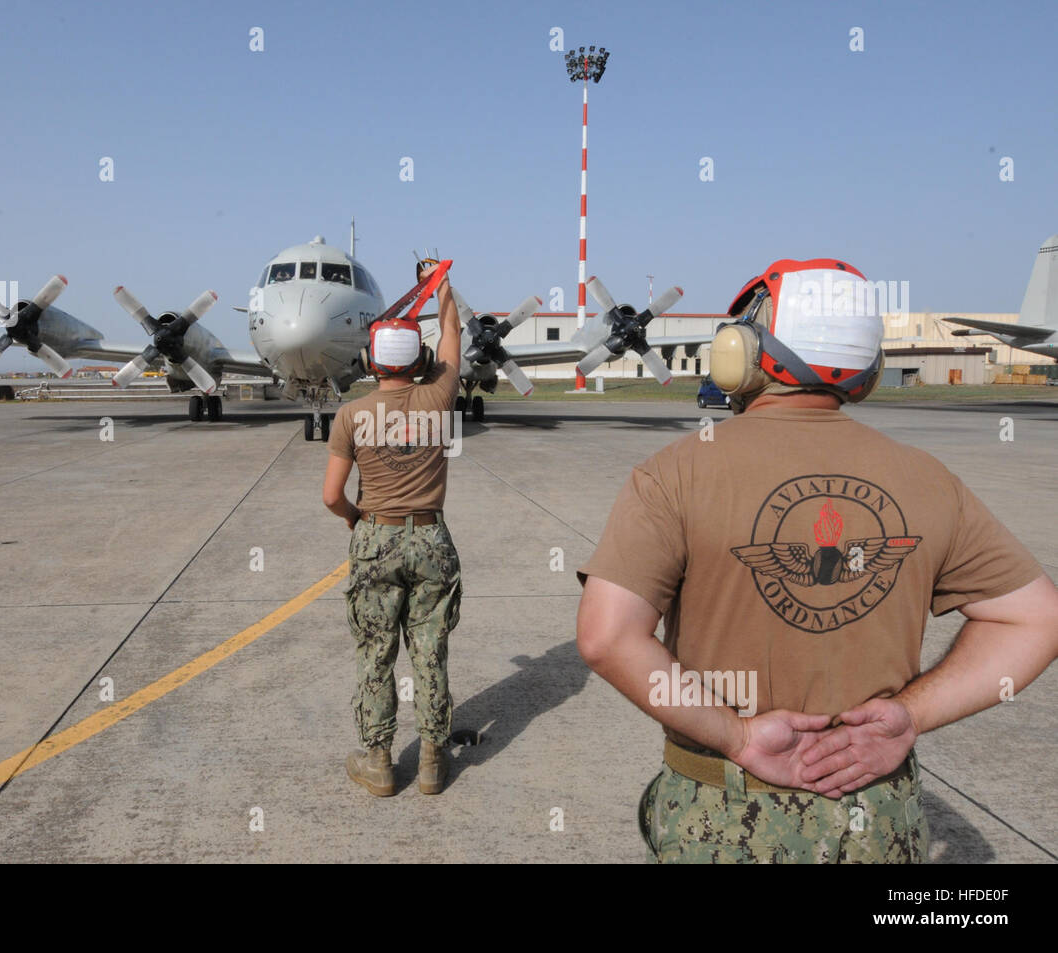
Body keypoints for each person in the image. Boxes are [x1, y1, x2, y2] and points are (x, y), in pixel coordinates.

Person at [575, 257, 1058, 862]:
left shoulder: (675, 471)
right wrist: (908, 716)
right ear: (868, 368)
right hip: (879, 817)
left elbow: (606, 636)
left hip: (722, 814)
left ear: (742, 351)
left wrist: (739, 734)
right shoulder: (929, 479)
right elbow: (1039, 618)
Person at [323, 261, 464, 796]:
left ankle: (379, 762)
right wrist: (442, 285)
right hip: (431, 537)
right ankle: (431, 761)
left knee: (376, 650)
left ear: (369, 361)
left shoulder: (351, 416)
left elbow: (331, 495)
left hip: (375, 536)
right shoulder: (438, 398)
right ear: (421, 358)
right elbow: (453, 334)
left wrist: (357, 520)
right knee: (430, 648)